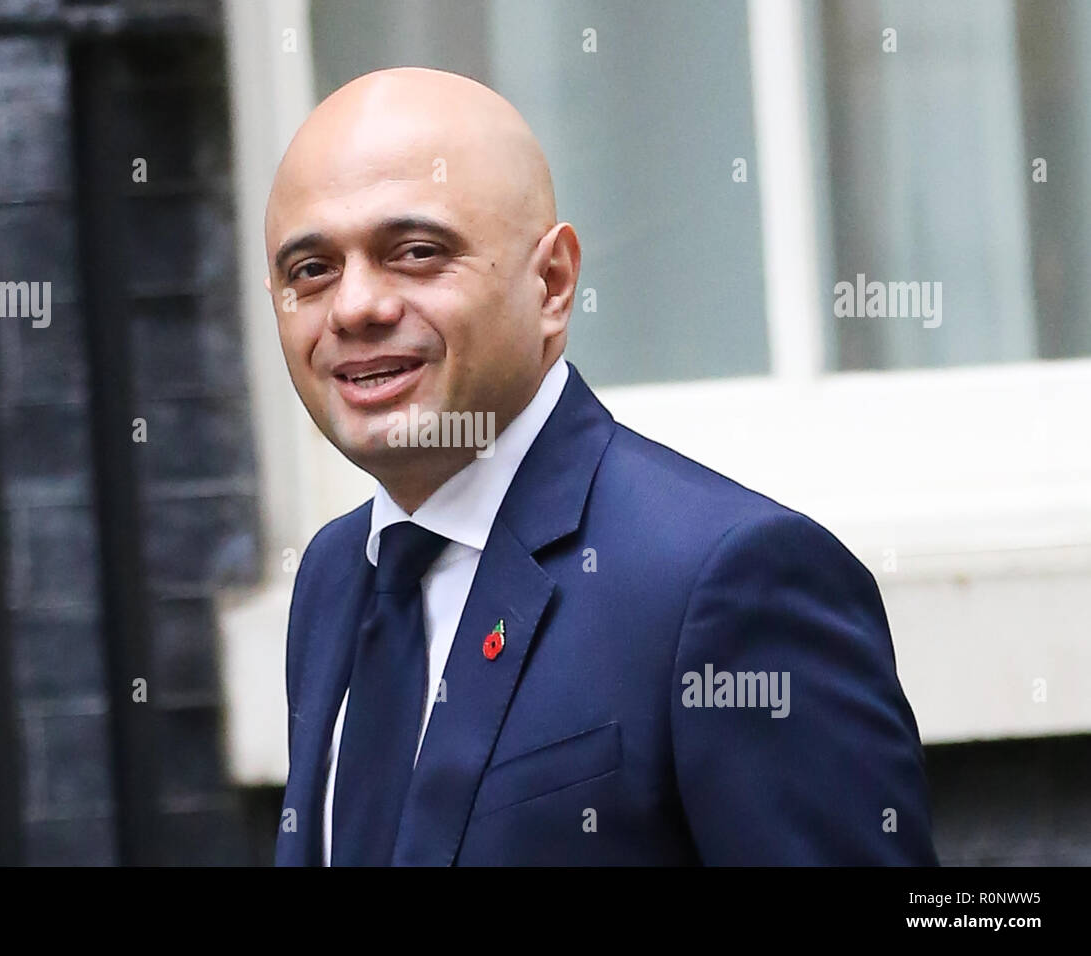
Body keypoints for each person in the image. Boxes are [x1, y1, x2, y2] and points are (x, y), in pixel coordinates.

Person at [264, 66, 937, 866]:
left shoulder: (725, 580)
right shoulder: (334, 579)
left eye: (414, 252)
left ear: (551, 284)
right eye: (312, 271)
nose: (354, 307)